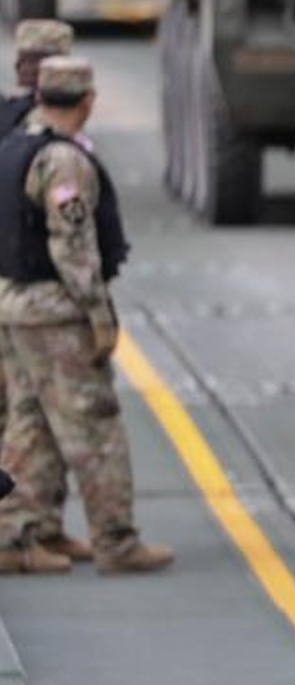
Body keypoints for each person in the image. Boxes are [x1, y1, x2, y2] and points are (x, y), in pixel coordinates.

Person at [0, 57, 170, 574]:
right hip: (55, 312)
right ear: (88, 101)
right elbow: (73, 246)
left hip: (12, 306)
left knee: (29, 421)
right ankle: (116, 540)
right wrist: (99, 314)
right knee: (93, 424)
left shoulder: (13, 146)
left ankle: (22, 533)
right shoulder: (64, 161)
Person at [0, 17, 83, 568]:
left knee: (35, 417)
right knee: (33, 415)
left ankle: (41, 525)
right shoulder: (33, 134)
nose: (36, 72)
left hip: (17, 288)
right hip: (27, 290)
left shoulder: (30, 127)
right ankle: (17, 535)